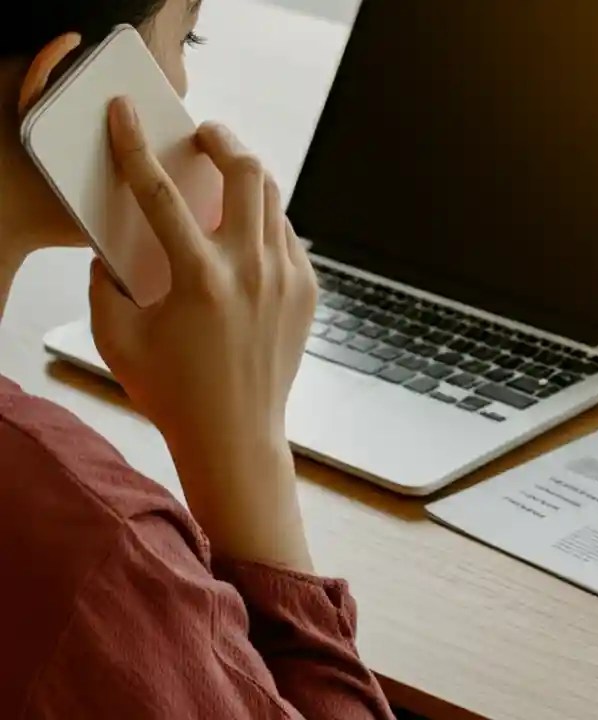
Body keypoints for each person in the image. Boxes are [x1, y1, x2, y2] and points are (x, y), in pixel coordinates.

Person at [0, 2, 396, 717]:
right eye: (186, 38)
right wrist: (246, 458)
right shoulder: (94, 552)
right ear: (65, 81)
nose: (180, 86)